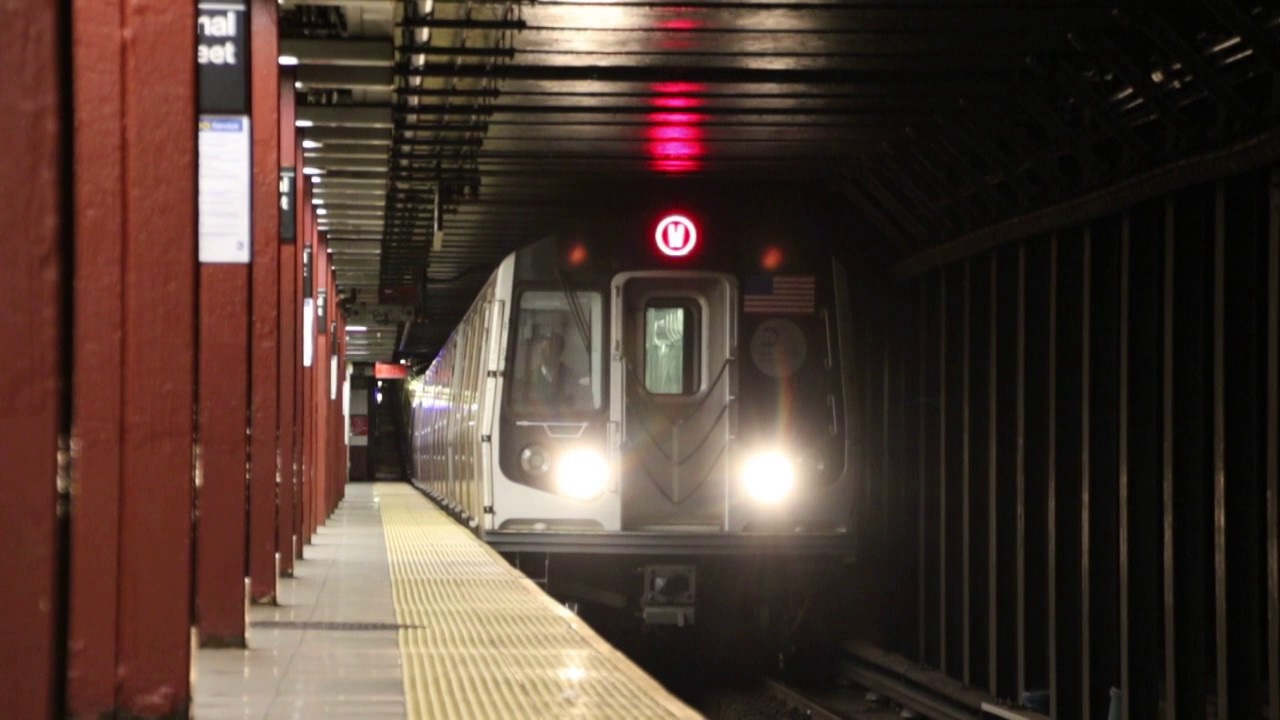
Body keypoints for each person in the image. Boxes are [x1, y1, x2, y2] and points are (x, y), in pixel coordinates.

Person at [528, 331, 588, 407]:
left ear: (559, 352)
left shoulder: (573, 377)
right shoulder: (529, 378)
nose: (544, 352)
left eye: (550, 348)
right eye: (543, 348)